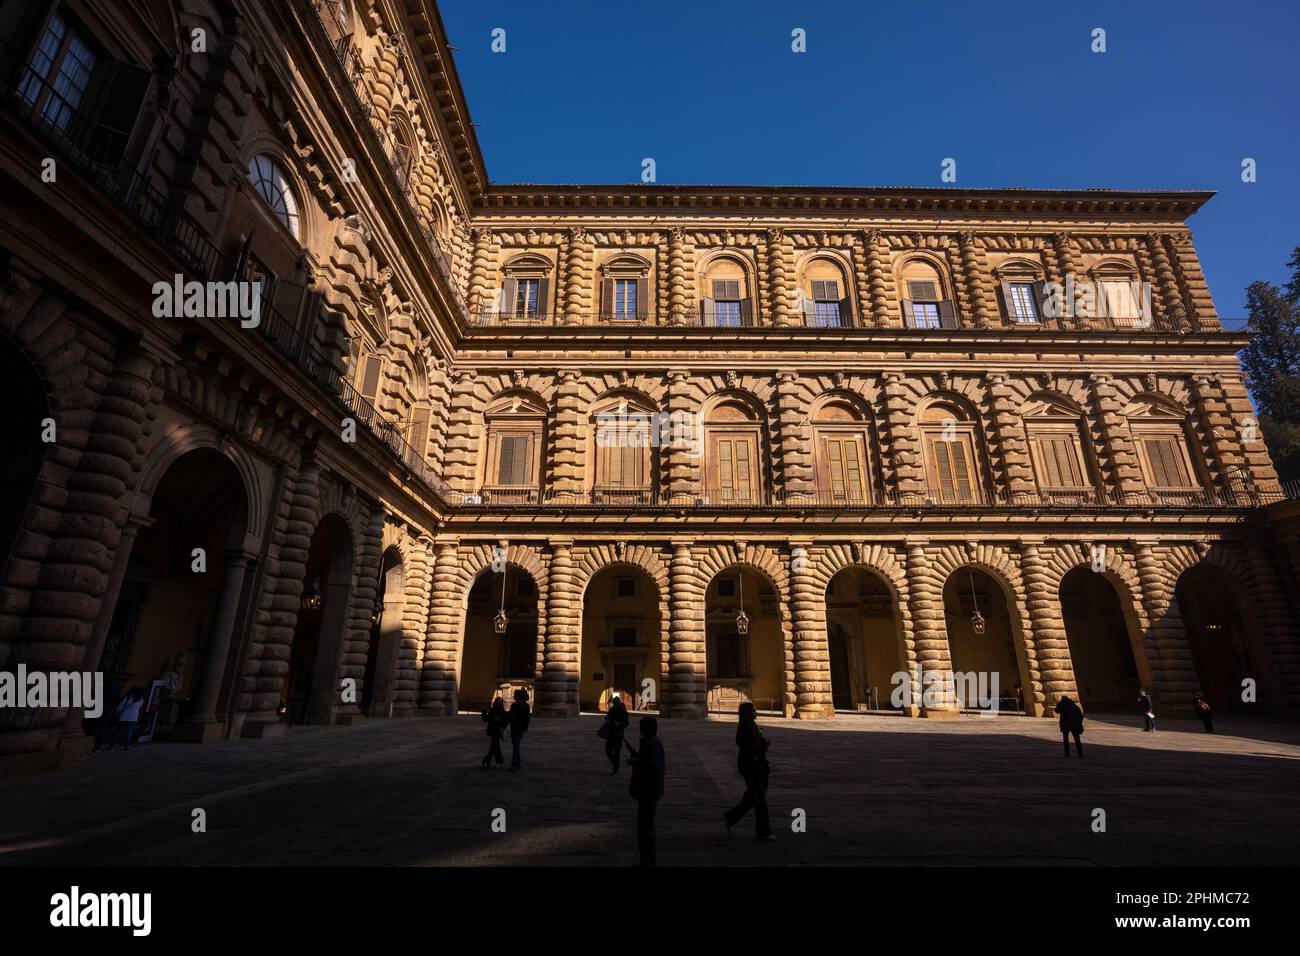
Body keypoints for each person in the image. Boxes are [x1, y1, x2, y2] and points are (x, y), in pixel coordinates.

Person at [723, 702, 775, 840]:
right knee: (760, 798)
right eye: (753, 710)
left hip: (758, 764)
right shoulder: (745, 726)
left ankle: (731, 817)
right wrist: (763, 743)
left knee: (755, 796)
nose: (755, 711)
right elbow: (745, 745)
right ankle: (764, 832)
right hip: (752, 766)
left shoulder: (750, 724)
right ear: (747, 712)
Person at [627, 715, 665, 866]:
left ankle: (648, 861)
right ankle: (646, 860)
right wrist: (636, 754)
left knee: (646, 829)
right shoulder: (652, 742)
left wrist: (634, 762)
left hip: (648, 792)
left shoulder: (652, 744)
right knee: (645, 827)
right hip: (649, 791)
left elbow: (650, 768)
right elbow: (648, 761)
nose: (640, 731)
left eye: (641, 728)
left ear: (646, 729)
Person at [105, 687, 143, 751]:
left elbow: (121, 706)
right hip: (133, 717)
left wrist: (116, 712)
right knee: (129, 731)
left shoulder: (128, 697)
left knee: (117, 731)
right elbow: (139, 707)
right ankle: (127, 745)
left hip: (124, 716)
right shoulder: (141, 699)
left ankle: (112, 745)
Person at [91, 675, 121, 754]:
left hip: (97, 706)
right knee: (103, 728)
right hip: (107, 708)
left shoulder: (101, 685)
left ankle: (89, 742)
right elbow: (118, 700)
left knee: (93, 725)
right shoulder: (115, 687)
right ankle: (98, 746)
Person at [604, 693, 630, 774]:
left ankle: (615, 768)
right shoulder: (611, 710)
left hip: (619, 735)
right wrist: (607, 719)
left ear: (618, 703)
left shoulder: (623, 712)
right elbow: (608, 717)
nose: (615, 705)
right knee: (608, 750)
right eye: (614, 703)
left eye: (616, 704)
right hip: (611, 734)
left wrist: (619, 724)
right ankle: (616, 763)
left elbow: (626, 723)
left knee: (617, 751)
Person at [507, 688, 531, 771]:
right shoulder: (514, 705)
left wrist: (525, 728)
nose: (515, 698)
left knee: (515, 746)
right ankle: (518, 761)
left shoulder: (525, 706)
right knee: (515, 745)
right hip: (513, 728)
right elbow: (509, 716)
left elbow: (527, 718)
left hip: (520, 729)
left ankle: (515, 763)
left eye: (516, 697)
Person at [481, 697, 508, 768]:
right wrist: (484, 712)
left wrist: (499, 720)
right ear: (495, 702)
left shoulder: (503, 711)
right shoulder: (492, 710)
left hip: (498, 731)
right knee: (495, 747)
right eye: (498, 701)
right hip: (492, 731)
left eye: (500, 701)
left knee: (494, 747)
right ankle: (499, 761)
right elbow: (486, 719)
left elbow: (505, 722)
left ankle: (486, 762)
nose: (499, 703)